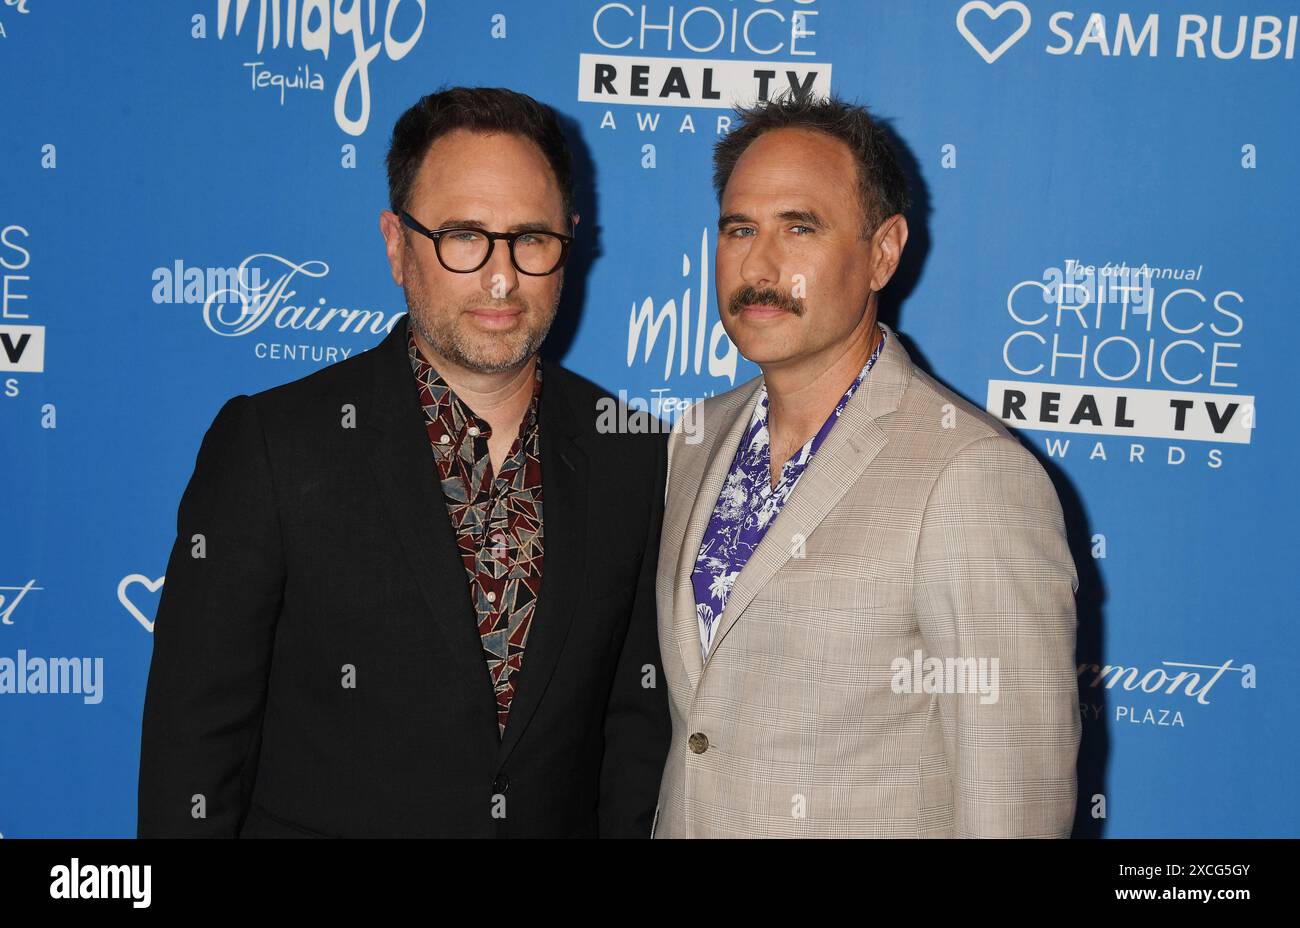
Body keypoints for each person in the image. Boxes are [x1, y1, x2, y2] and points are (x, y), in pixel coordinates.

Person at [138, 86, 669, 838]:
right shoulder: (274, 445)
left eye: (531, 238)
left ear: (568, 243)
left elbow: (633, 744)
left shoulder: (632, 455)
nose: (500, 276)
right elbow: (193, 748)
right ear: (396, 244)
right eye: (462, 235)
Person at [652, 91, 1080, 838]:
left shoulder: (973, 475)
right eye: (739, 228)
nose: (760, 263)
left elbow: (1014, 797)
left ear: (883, 251)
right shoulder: (695, 439)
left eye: (801, 228)